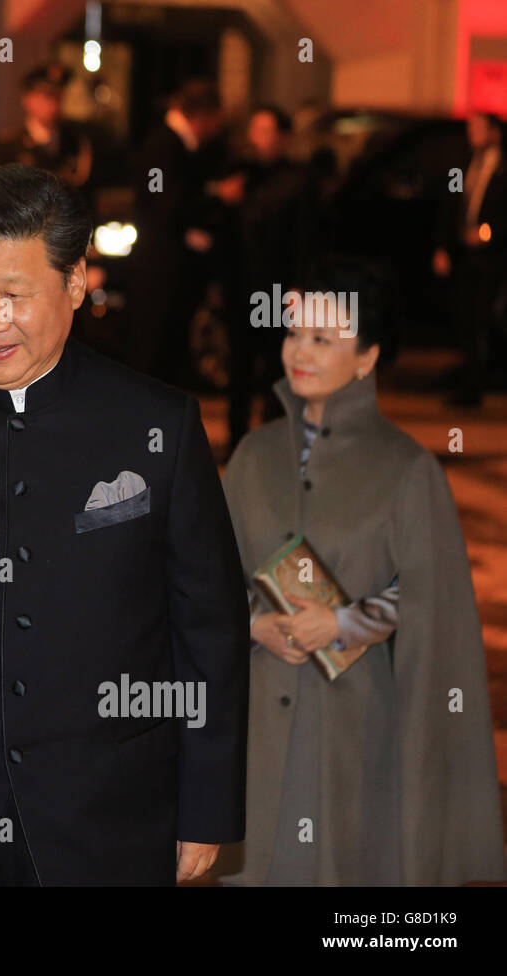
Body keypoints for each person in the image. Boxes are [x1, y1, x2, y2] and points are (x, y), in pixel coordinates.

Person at [0, 164, 250, 885]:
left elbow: (208, 626)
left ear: (76, 283)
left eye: (14, 294)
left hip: (108, 819)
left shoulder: (156, 424)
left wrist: (206, 807)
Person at [218, 257, 505, 885]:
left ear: (368, 356)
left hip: (356, 727)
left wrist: (347, 623)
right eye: (296, 333)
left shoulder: (406, 469)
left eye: (324, 339)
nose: (301, 351)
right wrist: (254, 623)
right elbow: (206, 575)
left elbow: (434, 597)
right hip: (261, 720)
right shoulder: (253, 456)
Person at [223, 105, 316, 449]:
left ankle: (275, 441)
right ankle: (237, 440)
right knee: (239, 367)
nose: (257, 139)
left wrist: (300, 286)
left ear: (284, 137)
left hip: (277, 289)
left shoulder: (298, 180)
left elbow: (306, 237)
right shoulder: (240, 176)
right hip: (241, 285)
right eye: (255, 130)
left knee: (278, 369)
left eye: (266, 131)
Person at [128, 80, 226, 383]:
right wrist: (215, 195)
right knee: (155, 352)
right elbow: (167, 205)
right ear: (200, 116)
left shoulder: (172, 144)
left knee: (163, 352)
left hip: (164, 267)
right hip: (160, 270)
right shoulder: (164, 145)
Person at [433, 110, 507, 407]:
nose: (472, 134)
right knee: (465, 317)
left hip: (494, 256)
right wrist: (443, 246)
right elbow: (450, 205)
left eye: (479, 128)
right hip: (465, 254)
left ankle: (481, 379)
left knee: (485, 317)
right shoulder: (462, 165)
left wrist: (489, 233)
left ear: (495, 132)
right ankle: (470, 380)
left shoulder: (503, 167)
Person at [0, 67, 90, 188]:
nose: (52, 104)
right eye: (46, 96)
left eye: (58, 96)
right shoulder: (8, 146)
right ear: (27, 99)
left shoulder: (74, 142)